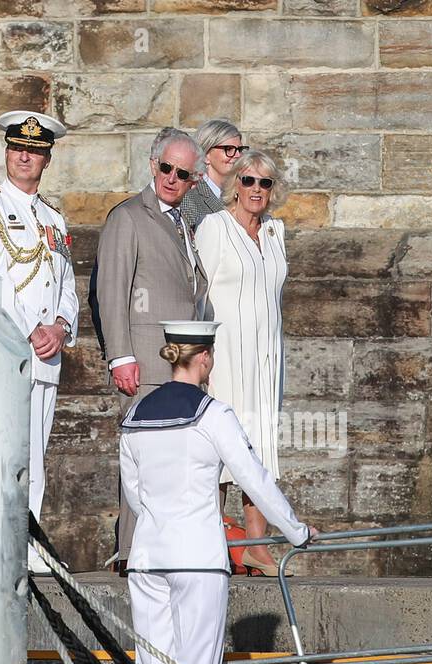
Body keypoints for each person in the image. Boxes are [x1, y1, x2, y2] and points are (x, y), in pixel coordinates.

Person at [120, 320, 316, 664]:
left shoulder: (135, 414)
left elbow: (135, 496)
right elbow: (256, 479)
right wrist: (297, 532)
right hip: (198, 561)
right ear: (204, 357)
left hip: (148, 557)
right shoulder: (213, 414)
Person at [0, 112, 76, 574]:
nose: (24, 156)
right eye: (17, 148)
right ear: (7, 153)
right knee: (7, 451)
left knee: (35, 455)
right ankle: (4, 541)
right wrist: (33, 327)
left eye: (34, 150)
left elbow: (66, 281)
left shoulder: (53, 217)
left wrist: (61, 326)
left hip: (46, 354)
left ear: (46, 158)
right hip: (11, 350)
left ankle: (26, 540)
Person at [96, 128, 210, 572]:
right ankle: (130, 551)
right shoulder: (128, 216)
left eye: (182, 174)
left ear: (193, 180)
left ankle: (162, 548)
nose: (171, 178)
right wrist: (120, 356)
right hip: (145, 358)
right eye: (166, 168)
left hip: (183, 362)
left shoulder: (186, 221)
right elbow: (111, 290)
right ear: (152, 164)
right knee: (141, 454)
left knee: (175, 457)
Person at [194, 149, 289, 575]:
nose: (255, 190)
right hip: (226, 355)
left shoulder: (274, 231)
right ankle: (208, 540)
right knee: (220, 448)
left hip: (267, 358)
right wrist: (198, 357)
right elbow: (198, 293)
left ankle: (257, 544)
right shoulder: (215, 227)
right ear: (235, 185)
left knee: (261, 449)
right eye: (248, 181)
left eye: (264, 183)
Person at [178, 118, 245, 231]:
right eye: (228, 149)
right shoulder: (189, 200)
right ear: (205, 156)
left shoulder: (243, 194)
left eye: (240, 149)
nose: (238, 155)